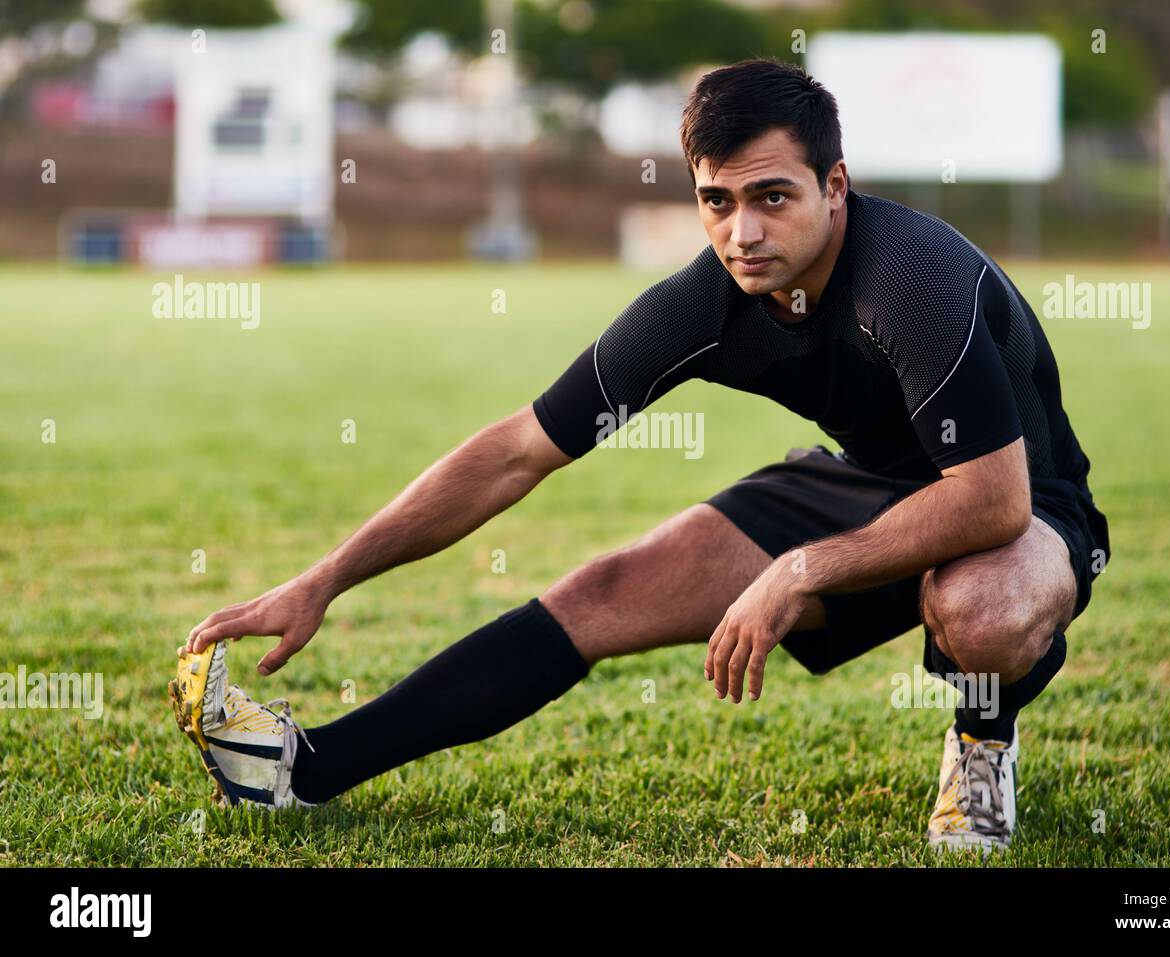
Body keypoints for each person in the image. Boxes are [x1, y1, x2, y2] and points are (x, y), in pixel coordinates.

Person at [170, 58, 1110, 852]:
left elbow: (991, 502)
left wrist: (802, 569)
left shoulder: (912, 277)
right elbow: (515, 452)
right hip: (862, 483)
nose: (743, 232)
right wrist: (324, 581)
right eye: (717, 201)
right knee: (597, 594)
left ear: (835, 187)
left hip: (1030, 505)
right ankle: (305, 768)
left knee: (975, 606)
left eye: (773, 196)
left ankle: (982, 742)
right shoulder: (703, 304)